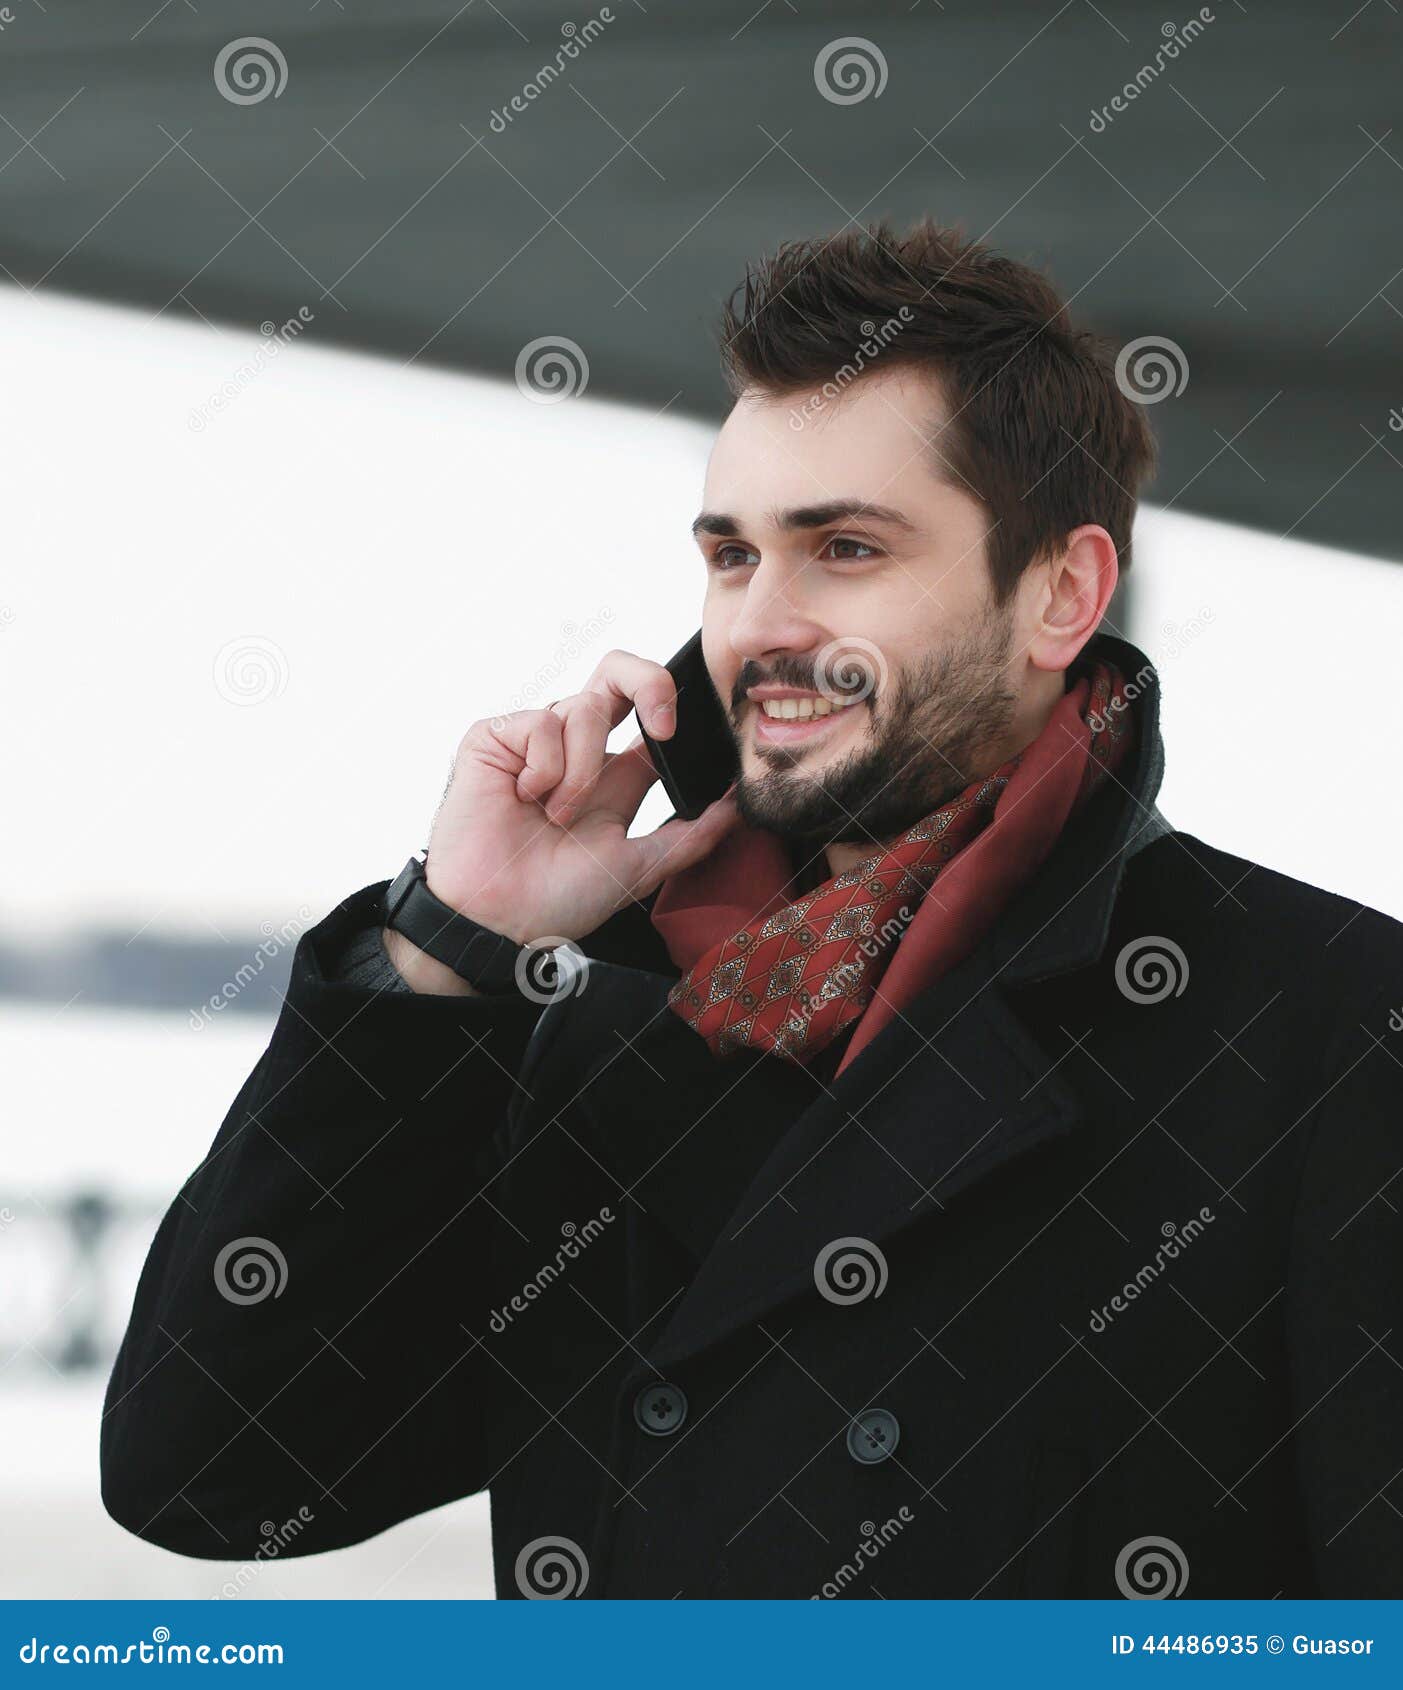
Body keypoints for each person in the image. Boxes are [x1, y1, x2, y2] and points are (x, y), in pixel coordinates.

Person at [100, 218, 1403, 1599]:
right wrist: (450, 947)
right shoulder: (596, 1017)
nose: (759, 623)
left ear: (1059, 593)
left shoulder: (1324, 1028)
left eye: (843, 548)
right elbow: (217, 1476)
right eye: (731, 556)